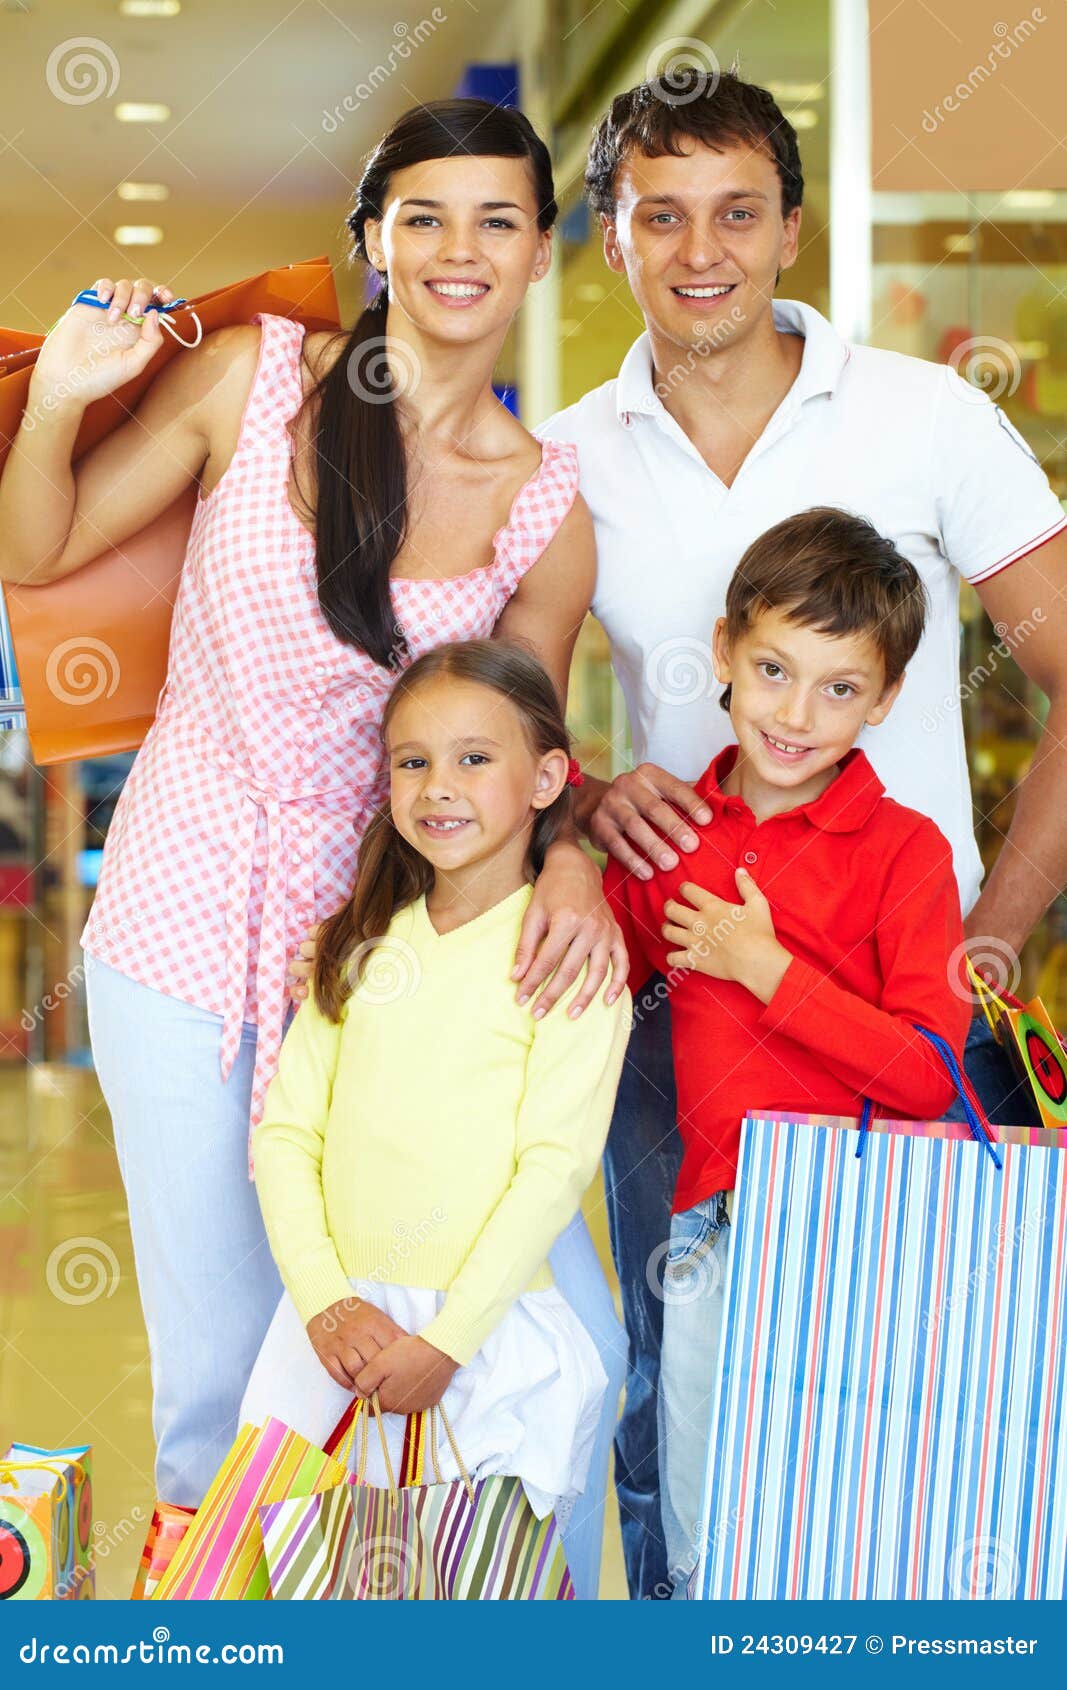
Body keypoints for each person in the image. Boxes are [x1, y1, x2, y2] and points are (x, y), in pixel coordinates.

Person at [0, 98, 628, 1587]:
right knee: (222, 1370)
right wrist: (56, 400)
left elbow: (532, 752)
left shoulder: (547, 507)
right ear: (371, 241)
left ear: (543, 249)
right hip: (176, 926)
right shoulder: (252, 382)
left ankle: (440, 1610)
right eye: (421, 216)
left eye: (495, 219)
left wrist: (584, 855)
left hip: (385, 961)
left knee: (545, 1340)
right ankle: (222, 1620)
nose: (455, 249)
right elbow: (34, 548)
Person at [538, 67, 1067, 1598]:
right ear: (613, 235)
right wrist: (577, 798)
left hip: (901, 993)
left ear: (788, 231)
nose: (697, 249)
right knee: (673, 1380)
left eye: (735, 212)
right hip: (685, 994)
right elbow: (506, 707)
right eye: (658, 214)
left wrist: (999, 925)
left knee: (917, 1392)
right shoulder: (567, 455)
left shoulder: (925, 415)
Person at [603, 508, 972, 1595]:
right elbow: (572, 999)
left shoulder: (907, 853)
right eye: (771, 668)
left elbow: (926, 1079)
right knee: (707, 1527)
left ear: (887, 698)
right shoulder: (669, 838)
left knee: (853, 1535)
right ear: (722, 650)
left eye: (838, 687)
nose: (796, 714)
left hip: (868, 1235)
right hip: (708, 1230)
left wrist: (760, 966)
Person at [241, 640, 631, 1598]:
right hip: (336, 1335)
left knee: (483, 1603)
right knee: (321, 1593)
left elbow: (553, 1169)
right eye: (411, 762)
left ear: (547, 779)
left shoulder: (566, 959)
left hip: (484, 1337)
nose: (437, 787)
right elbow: (286, 1135)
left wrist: (448, 1344)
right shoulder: (356, 950)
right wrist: (326, 1301)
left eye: (473, 758)